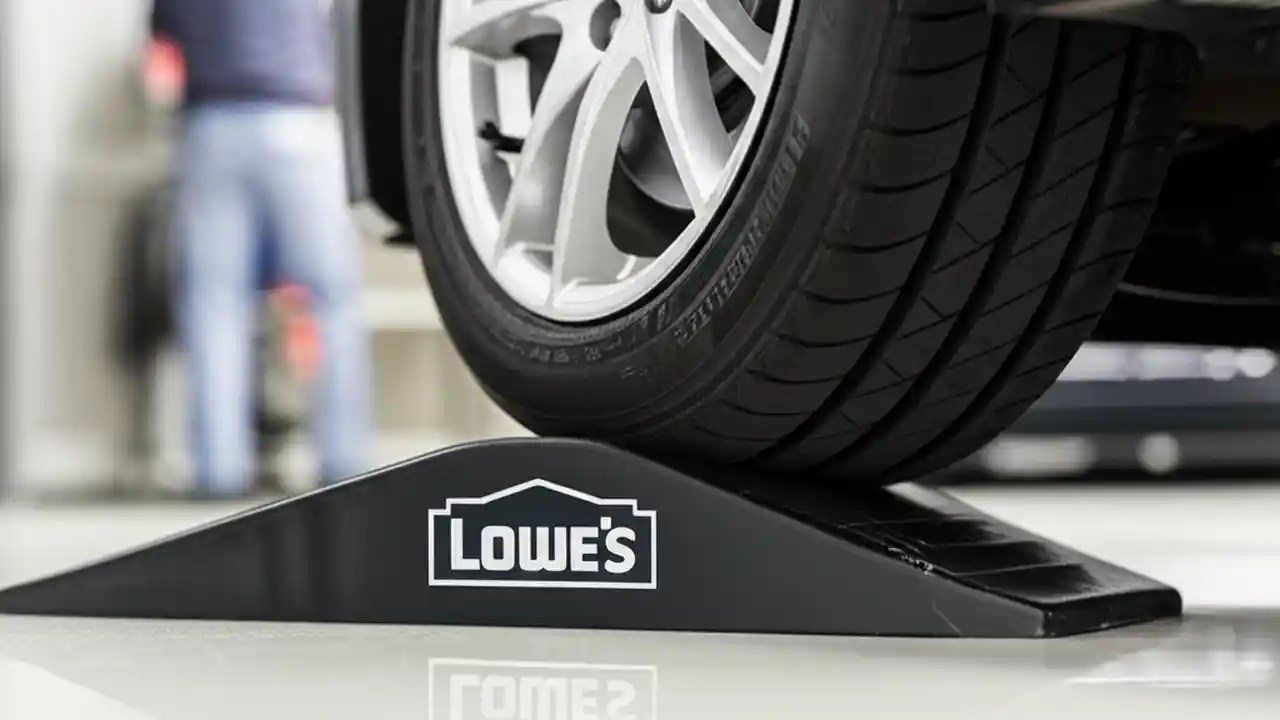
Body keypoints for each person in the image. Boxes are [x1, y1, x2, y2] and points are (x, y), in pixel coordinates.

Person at [152, 0, 370, 496]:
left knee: (214, 305)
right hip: (300, 125)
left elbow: (163, 47)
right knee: (331, 300)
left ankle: (217, 471)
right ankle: (345, 464)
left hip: (213, 127)